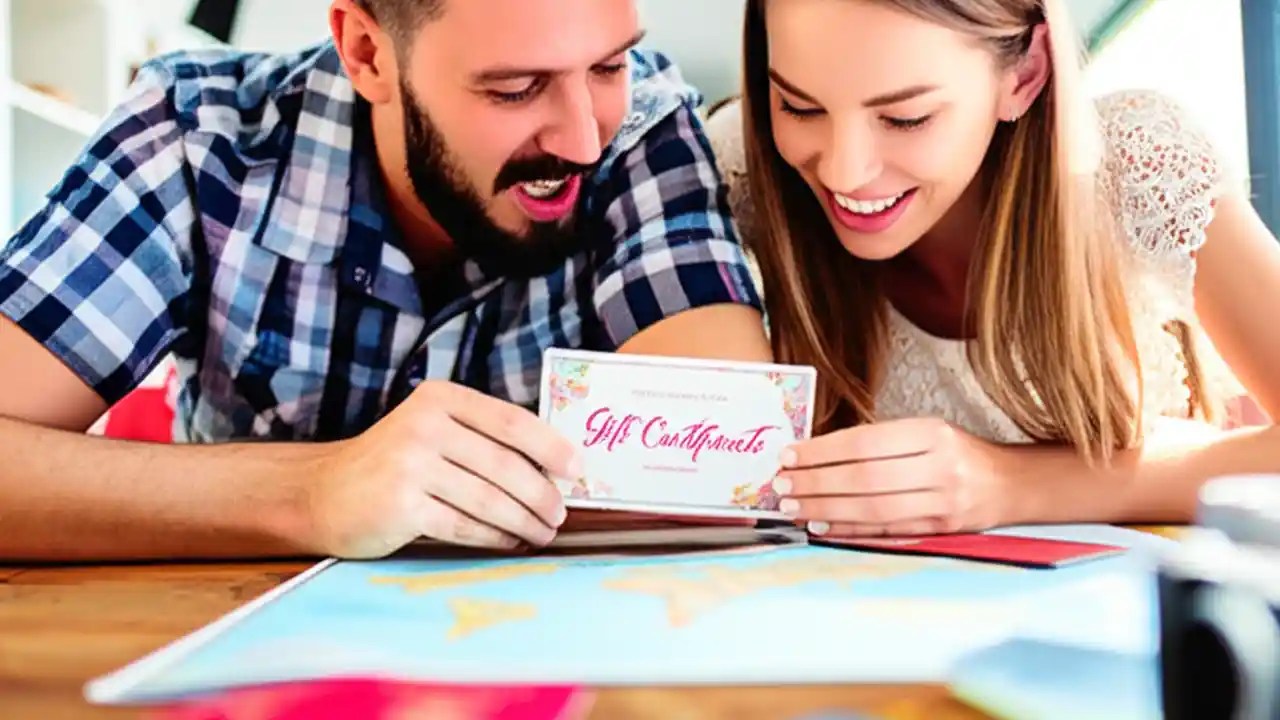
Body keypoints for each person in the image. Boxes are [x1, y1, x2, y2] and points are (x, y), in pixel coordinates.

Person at [0, 0, 772, 561]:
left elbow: (728, 469)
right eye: (514, 89)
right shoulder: (195, 138)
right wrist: (312, 492)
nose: (581, 135)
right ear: (368, 53)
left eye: (609, 65)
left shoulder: (640, 128)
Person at [706, 0, 1280, 538]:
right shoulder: (740, 169)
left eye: (906, 117)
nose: (845, 171)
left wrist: (1010, 484)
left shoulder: (1138, 164)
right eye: (799, 107)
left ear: (1026, 74)